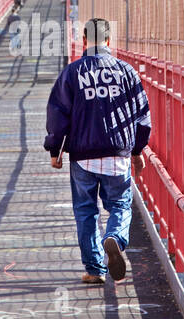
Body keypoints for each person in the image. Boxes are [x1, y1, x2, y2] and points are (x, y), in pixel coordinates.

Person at [44, 16, 151, 284]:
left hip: (83, 156)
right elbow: (142, 114)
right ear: (108, 41)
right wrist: (138, 149)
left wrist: (54, 149)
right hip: (118, 153)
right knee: (120, 204)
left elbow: (58, 114)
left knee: (85, 210)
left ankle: (94, 269)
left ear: (83, 41)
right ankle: (114, 237)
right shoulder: (126, 72)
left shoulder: (71, 73)